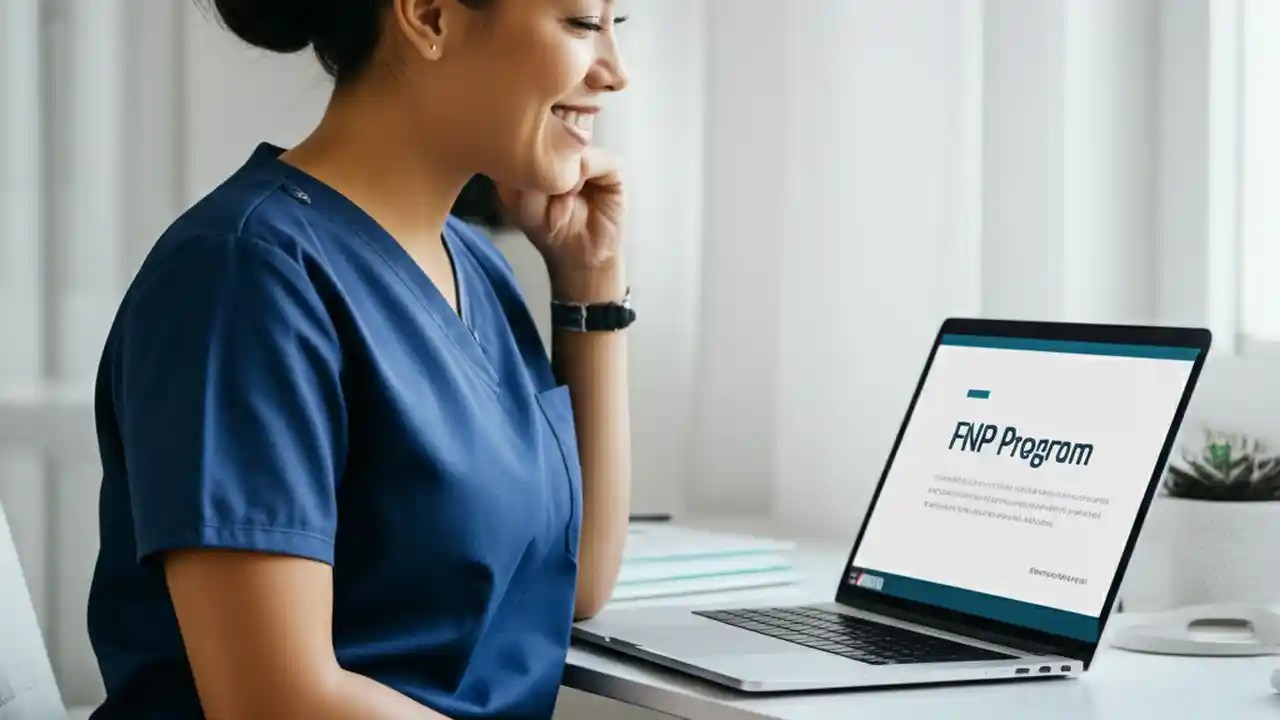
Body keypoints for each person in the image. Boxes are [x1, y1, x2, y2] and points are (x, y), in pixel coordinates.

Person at [85, 0, 632, 717]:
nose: (615, 72)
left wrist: (591, 281)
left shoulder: (474, 265)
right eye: (583, 25)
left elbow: (573, 582)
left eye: (619, 28)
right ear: (430, 16)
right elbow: (273, 702)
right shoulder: (244, 277)